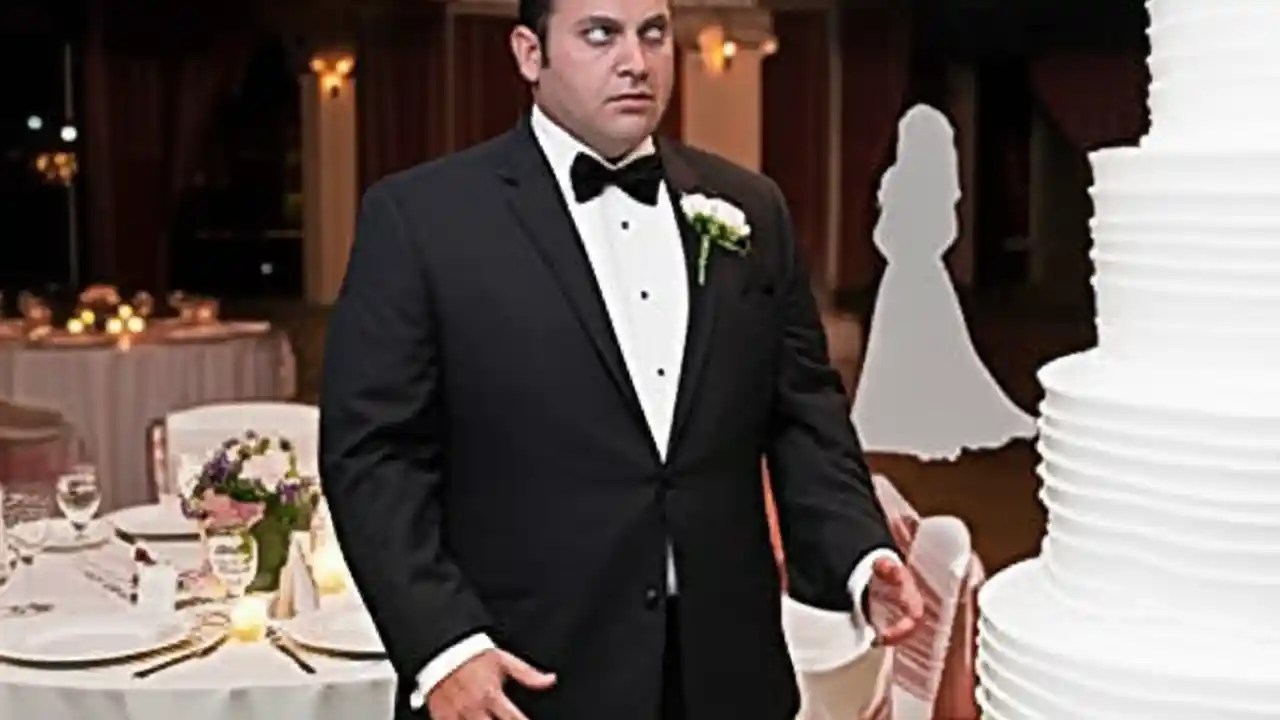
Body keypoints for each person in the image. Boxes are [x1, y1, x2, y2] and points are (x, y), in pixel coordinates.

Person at [319, 0, 923, 716]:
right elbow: (373, 456)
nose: (636, 61)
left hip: (725, 676)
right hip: (523, 676)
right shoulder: (422, 219)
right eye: (600, 34)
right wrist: (443, 644)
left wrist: (856, 554)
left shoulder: (750, 208)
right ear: (528, 53)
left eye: (654, 34)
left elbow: (804, 418)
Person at [851, 104, 1035, 461]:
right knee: (925, 348)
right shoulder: (924, 183)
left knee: (912, 348)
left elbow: (886, 235)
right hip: (924, 278)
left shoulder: (897, 181)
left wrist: (905, 249)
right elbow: (942, 233)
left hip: (906, 280)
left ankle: (909, 415)